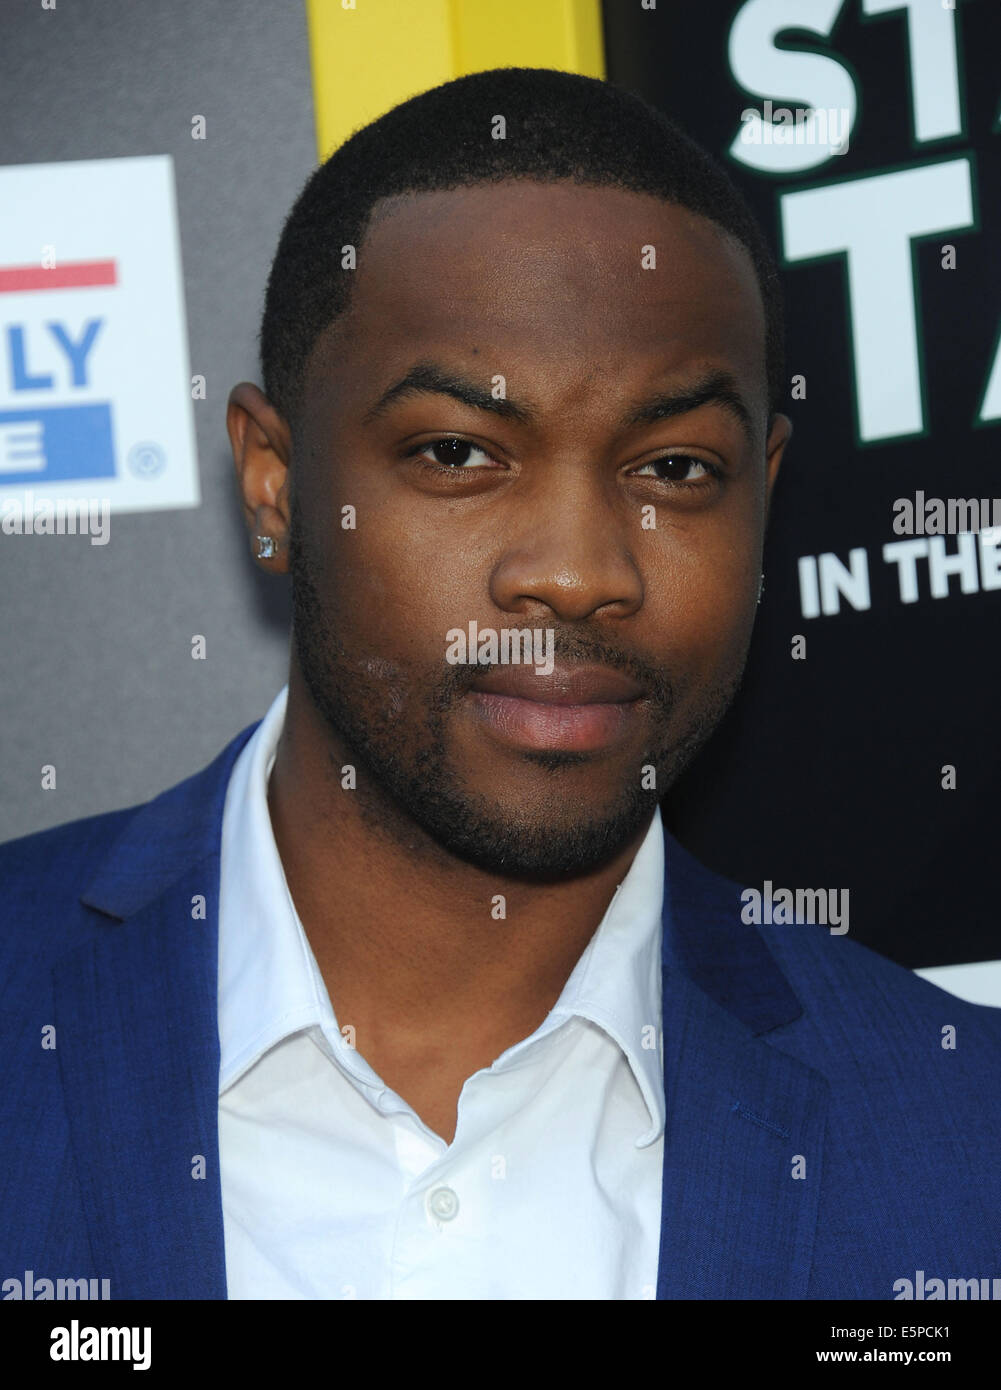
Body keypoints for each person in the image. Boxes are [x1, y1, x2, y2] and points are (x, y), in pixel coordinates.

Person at [2, 67, 999, 1302]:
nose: (578, 573)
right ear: (274, 482)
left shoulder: (964, 1149)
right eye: (458, 452)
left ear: (764, 493)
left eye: (677, 466)